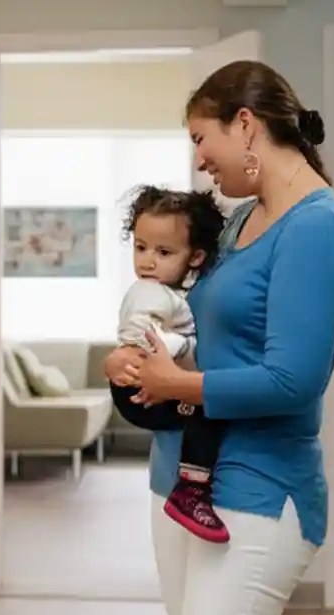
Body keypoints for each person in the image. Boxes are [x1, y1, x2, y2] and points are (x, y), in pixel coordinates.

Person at [105, 60, 334, 615]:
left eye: (201, 138)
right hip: (182, 482)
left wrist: (177, 381)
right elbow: (197, 329)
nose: (198, 161)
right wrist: (137, 363)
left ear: (244, 124)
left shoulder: (315, 227)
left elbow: (292, 379)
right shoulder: (244, 219)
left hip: (258, 490)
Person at [112, 185, 231, 544]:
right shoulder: (148, 291)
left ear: (194, 258)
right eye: (141, 247)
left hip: (146, 380)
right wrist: (186, 350)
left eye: (163, 252)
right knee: (207, 408)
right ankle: (192, 492)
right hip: (138, 386)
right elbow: (143, 342)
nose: (147, 261)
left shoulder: (174, 291)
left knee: (203, 403)